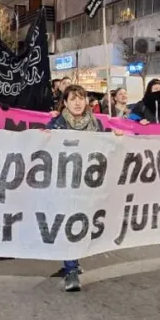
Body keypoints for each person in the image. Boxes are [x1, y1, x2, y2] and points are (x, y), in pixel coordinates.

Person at [47, 84, 107, 292]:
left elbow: (106, 147)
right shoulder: (57, 124)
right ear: (65, 102)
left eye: (81, 98)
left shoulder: (96, 124)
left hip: (88, 182)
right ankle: (71, 269)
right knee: (69, 221)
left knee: (82, 221)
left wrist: (116, 137)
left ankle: (72, 260)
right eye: (72, 99)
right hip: (65, 183)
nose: (78, 102)